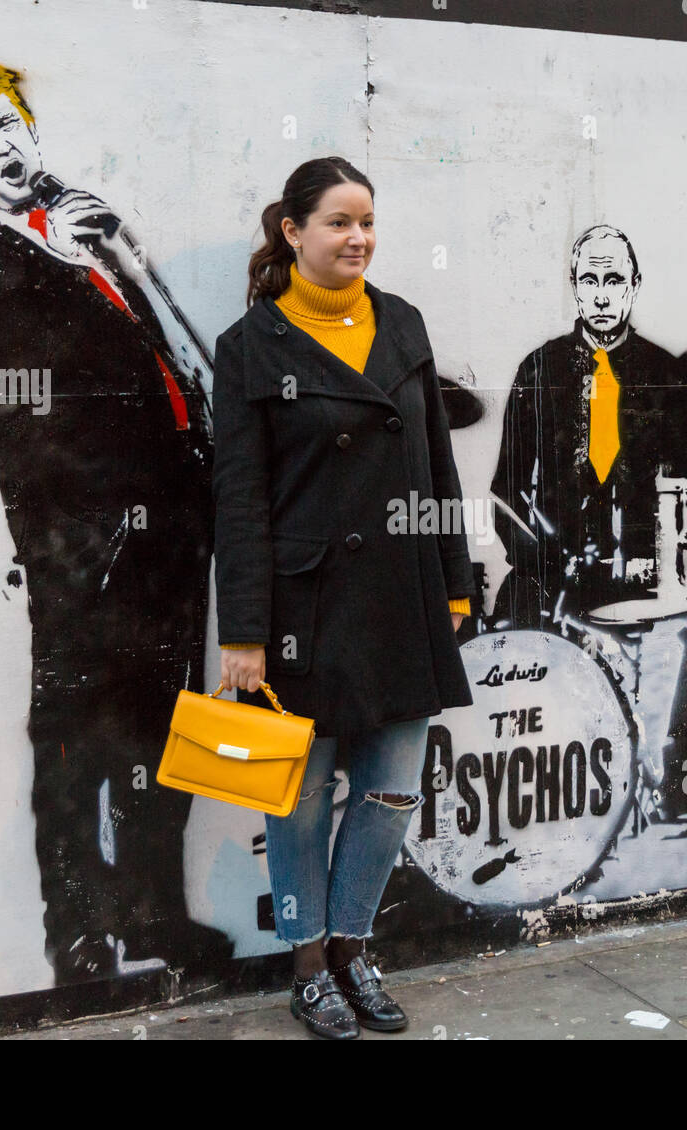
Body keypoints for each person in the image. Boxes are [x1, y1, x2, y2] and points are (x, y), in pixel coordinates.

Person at [0, 62, 230, 983]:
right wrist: (60, 255)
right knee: (74, 734)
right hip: (79, 540)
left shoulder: (72, 227)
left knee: (165, 721)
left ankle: (154, 912)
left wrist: (100, 251)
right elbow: (16, 392)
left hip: (171, 522)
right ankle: (78, 934)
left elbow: (162, 352)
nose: (1, 151)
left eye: (8, 126)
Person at [213, 156, 476, 1039]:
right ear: (293, 232)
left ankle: (355, 950)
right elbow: (239, 500)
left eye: (367, 221)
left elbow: (437, 463)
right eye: (338, 222)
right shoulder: (251, 347)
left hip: (402, 593)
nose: (358, 237)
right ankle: (308, 962)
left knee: (393, 790)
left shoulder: (401, 322)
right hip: (303, 608)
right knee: (298, 793)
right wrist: (243, 629)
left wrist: (455, 581)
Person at [489, 225, 687, 821]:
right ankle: (539, 773)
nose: (602, 295)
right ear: (574, 288)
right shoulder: (538, 369)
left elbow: (681, 483)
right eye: (591, 281)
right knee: (512, 605)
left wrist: (666, 555)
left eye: (615, 281)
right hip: (557, 565)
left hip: (642, 565)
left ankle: (680, 766)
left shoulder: (662, 372)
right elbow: (504, 494)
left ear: (634, 287)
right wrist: (547, 559)